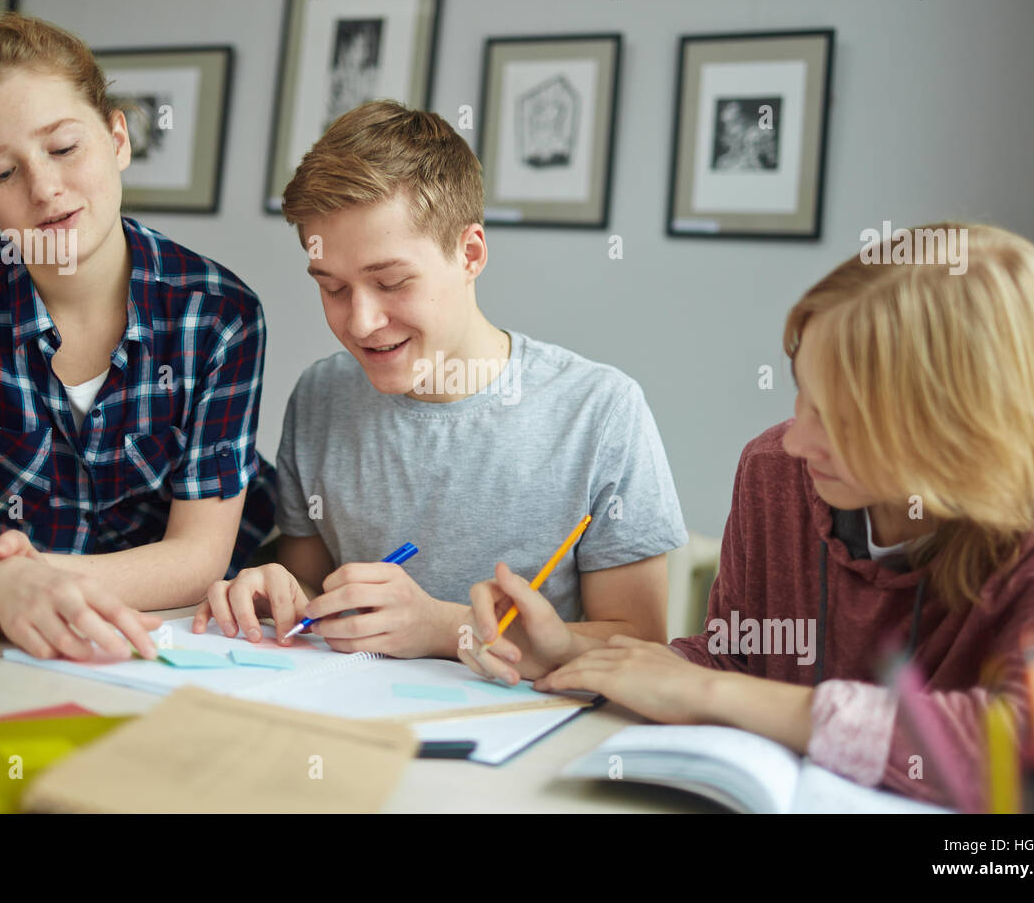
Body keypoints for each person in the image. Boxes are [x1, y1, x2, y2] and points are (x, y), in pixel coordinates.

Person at [472, 223, 1034, 812]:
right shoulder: (776, 471)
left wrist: (719, 698)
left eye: (841, 418)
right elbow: (737, 660)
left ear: (959, 428)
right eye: (803, 392)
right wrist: (572, 653)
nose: (799, 439)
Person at [193, 100, 686, 670]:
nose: (360, 322)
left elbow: (641, 646)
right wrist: (280, 593)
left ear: (470, 253)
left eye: (392, 281)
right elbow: (312, 590)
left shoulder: (599, 413)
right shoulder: (321, 397)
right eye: (332, 288)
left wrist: (442, 627)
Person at [0, 13, 276, 662]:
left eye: (64, 148)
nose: (45, 188)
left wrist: (32, 583)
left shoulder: (220, 315)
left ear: (117, 138)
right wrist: (1, 582)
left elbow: (199, 557)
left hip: (197, 635)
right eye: (1, 172)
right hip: (29, 638)